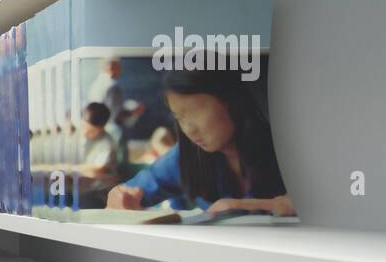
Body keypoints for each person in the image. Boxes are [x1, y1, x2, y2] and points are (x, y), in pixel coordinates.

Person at [106, 67, 295, 215]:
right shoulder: (185, 154)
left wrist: (244, 206)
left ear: (232, 102)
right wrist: (120, 196)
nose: (189, 129)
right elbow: (134, 190)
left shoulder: (287, 146)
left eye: (196, 113)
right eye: (179, 117)